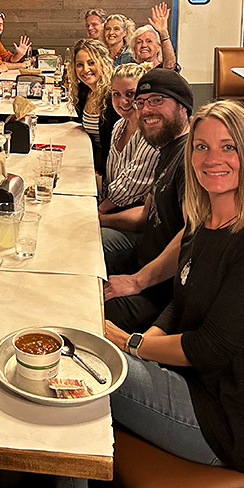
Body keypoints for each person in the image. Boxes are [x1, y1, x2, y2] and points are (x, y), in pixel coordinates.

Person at [57, 101, 244, 488]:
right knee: (78, 348)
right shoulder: (206, 219)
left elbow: (210, 348)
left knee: (75, 370)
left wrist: (132, 344)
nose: (213, 160)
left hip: (228, 422)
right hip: (192, 384)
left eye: (229, 147)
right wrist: (146, 342)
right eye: (202, 147)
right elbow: (182, 302)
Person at [103, 68, 193, 332]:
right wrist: (97, 218)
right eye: (141, 103)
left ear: (183, 107)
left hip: (160, 293)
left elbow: (192, 234)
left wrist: (136, 281)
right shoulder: (165, 149)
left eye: (156, 100)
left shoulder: (190, 158)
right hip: (140, 261)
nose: (145, 110)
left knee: (81, 310)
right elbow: (145, 216)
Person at [98, 63, 159, 222]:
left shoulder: (150, 131)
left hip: (136, 219)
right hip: (112, 209)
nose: (123, 101)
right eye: (116, 94)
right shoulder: (119, 126)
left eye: (130, 94)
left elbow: (132, 184)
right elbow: (111, 177)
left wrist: (99, 210)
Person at [68, 39, 117, 174]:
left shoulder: (113, 95)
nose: (85, 69)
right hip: (91, 161)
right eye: (79, 64)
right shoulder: (83, 92)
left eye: (91, 63)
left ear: (103, 63)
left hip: (111, 169)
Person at [130, 4, 178, 71]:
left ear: (158, 47)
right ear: (134, 49)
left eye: (149, 41)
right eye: (139, 42)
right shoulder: (129, 72)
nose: (144, 45)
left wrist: (164, 34)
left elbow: (170, 66)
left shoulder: (162, 70)